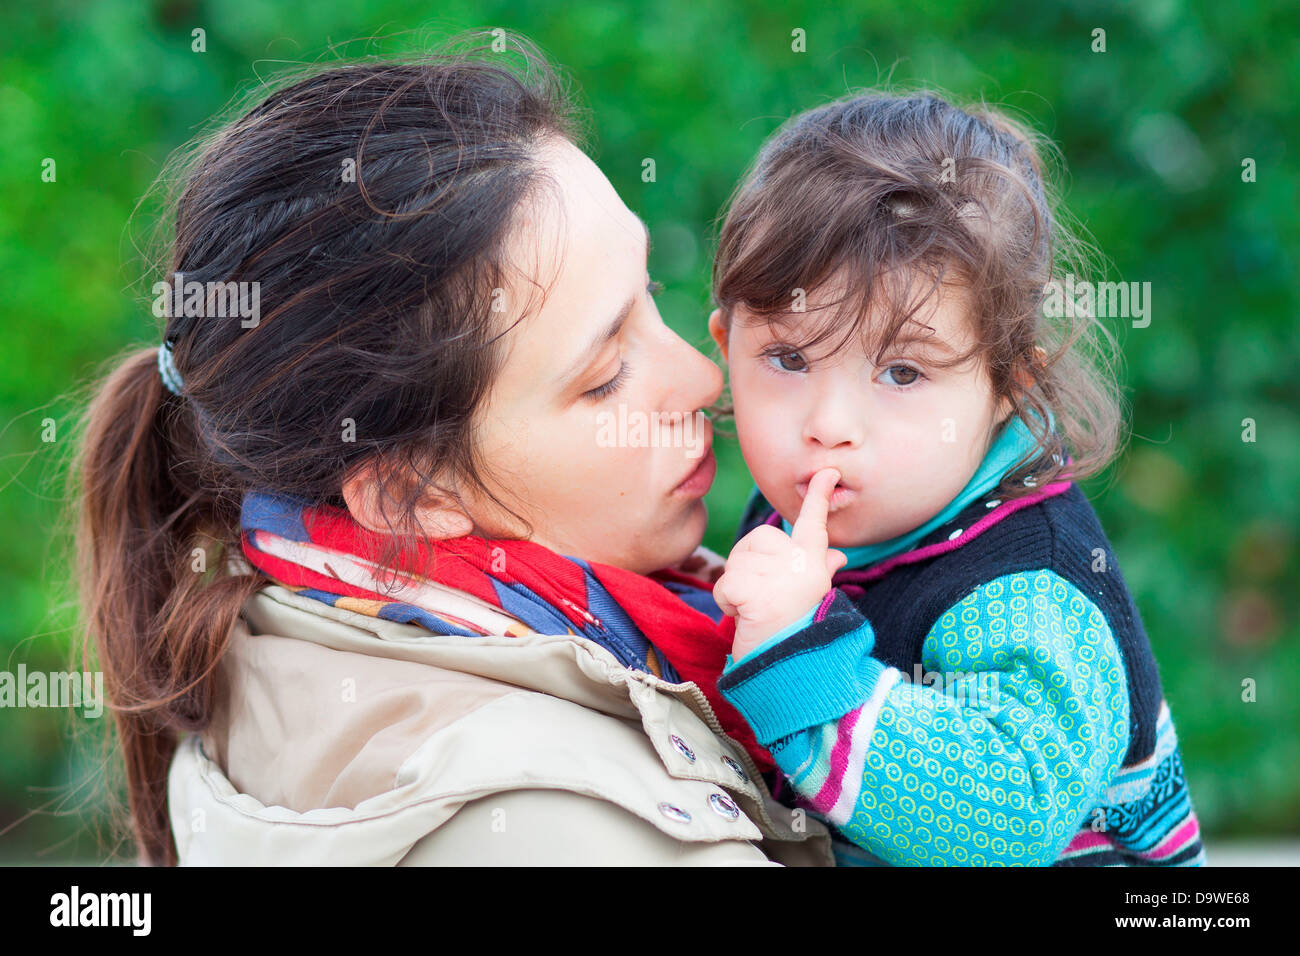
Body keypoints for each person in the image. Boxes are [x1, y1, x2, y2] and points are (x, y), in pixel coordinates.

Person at [72, 36, 832, 866]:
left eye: (649, 293)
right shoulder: (580, 836)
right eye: (606, 375)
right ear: (407, 496)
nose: (701, 377)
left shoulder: (263, 642)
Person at [704, 91, 1206, 866]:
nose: (830, 423)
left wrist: (796, 660)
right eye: (789, 359)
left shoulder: (1026, 587)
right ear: (726, 345)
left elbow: (1004, 824)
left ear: (1009, 383)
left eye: (902, 372)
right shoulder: (803, 514)